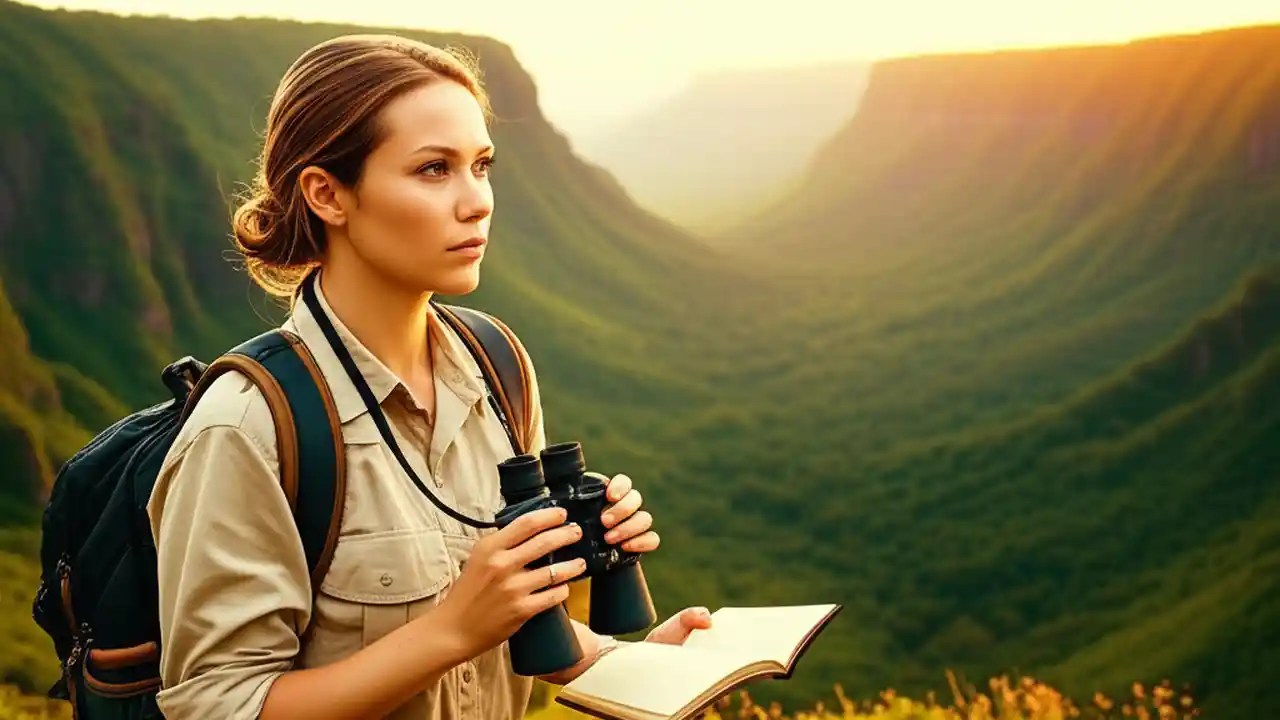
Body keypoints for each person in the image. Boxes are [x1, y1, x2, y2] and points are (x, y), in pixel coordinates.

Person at [146, 33, 711, 720]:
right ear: (327, 194)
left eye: (482, 165)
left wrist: (633, 663)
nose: (478, 202)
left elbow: (517, 631)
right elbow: (216, 704)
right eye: (434, 169)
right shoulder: (247, 427)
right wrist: (451, 632)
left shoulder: (497, 366)